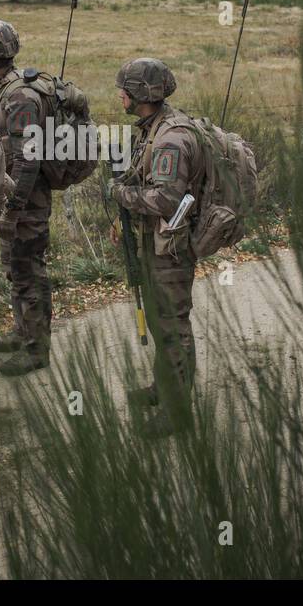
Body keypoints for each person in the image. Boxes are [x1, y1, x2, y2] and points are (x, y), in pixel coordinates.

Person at [108, 57, 202, 438]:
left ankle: (178, 413)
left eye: (124, 90)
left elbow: (165, 199)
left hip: (171, 249)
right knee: (164, 322)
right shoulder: (152, 128)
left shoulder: (169, 139)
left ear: (140, 95)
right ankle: (163, 388)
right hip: (156, 242)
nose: (120, 96)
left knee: (172, 325)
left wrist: (120, 194)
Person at [0, 18, 54, 377]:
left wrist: (13, 210)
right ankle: (22, 330)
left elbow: (28, 158)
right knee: (14, 270)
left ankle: (37, 348)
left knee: (29, 270)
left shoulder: (20, 97)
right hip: (12, 198)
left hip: (27, 201)